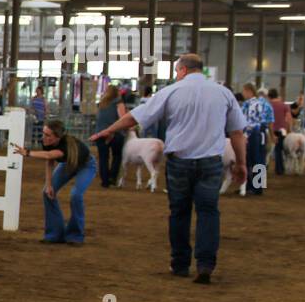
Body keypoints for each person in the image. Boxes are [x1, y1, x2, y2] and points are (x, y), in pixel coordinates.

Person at [92, 53, 246, 284]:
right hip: (210, 161)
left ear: (182, 70)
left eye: (176, 71)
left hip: (180, 160)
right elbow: (237, 133)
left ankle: (180, 264)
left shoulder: (171, 91)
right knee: (208, 212)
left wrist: (109, 130)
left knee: (179, 213)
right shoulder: (223, 93)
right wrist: (242, 164)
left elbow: (134, 118)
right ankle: (205, 264)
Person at [14, 119, 96, 244]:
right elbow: (49, 161)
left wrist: (28, 153)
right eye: (43, 133)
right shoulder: (47, 142)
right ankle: (54, 234)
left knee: (76, 195)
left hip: (86, 165)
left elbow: (49, 155)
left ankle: (75, 235)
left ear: (57, 137)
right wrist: (49, 185)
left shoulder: (66, 146)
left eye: (48, 135)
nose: (44, 137)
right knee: (47, 192)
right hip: (68, 164)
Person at [239, 83, 273, 196]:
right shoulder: (264, 104)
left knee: (250, 160)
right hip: (261, 133)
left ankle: (252, 187)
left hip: (252, 134)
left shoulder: (250, 104)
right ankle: (256, 187)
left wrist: (245, 136)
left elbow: (251, 122)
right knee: (259, 160)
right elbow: (269, 120)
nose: (243, 94)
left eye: (243, 91)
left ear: (249, 91)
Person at [93, 84, 128, 188]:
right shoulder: (119, 103)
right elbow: (123, 118)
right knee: (117, 155)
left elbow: (99, 118)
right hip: (115, 133)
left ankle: (105, 181)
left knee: (103, 157)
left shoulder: (101, 104)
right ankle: (112, 178)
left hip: (100, 133)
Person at [269, 89, 292, 175]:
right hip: (283, 130)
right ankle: (281, 168)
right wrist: (289, 129)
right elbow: (289, 118)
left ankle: (279, 169)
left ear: (269, 96)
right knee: (280, 149)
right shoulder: (284, 106)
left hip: (272, 130)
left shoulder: (269, 105)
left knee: (276, 150)